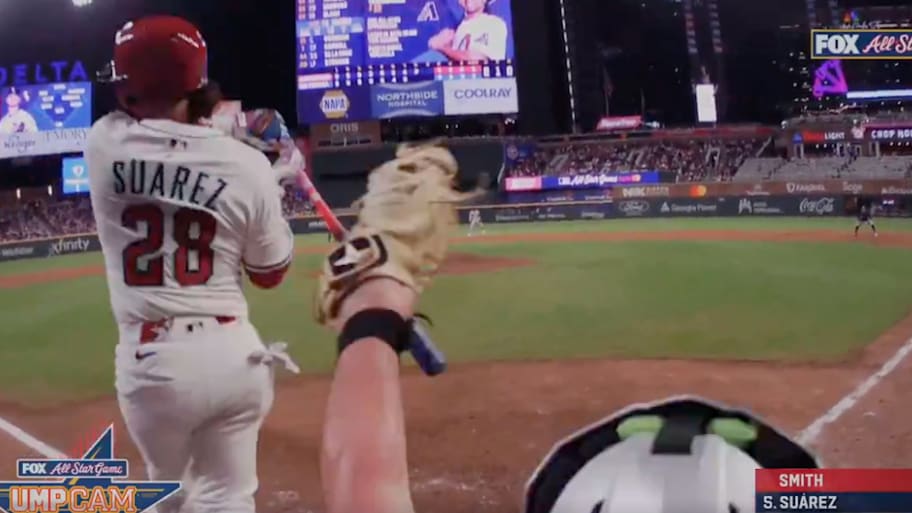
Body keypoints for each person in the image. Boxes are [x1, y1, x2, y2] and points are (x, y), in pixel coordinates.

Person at [86, 15, 297, 513]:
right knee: (229, 496)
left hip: (154, 363)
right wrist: (274, 183)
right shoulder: (247, 168)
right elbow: (270, 274)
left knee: (169, 493)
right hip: (235, 356)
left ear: (128, 88)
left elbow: (171, 135)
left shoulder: (102, 145)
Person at [428, 0, 508, 61]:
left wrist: (442, 48)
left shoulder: (493, 24)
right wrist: (445, 45)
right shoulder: (457, 29)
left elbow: (476, 60)